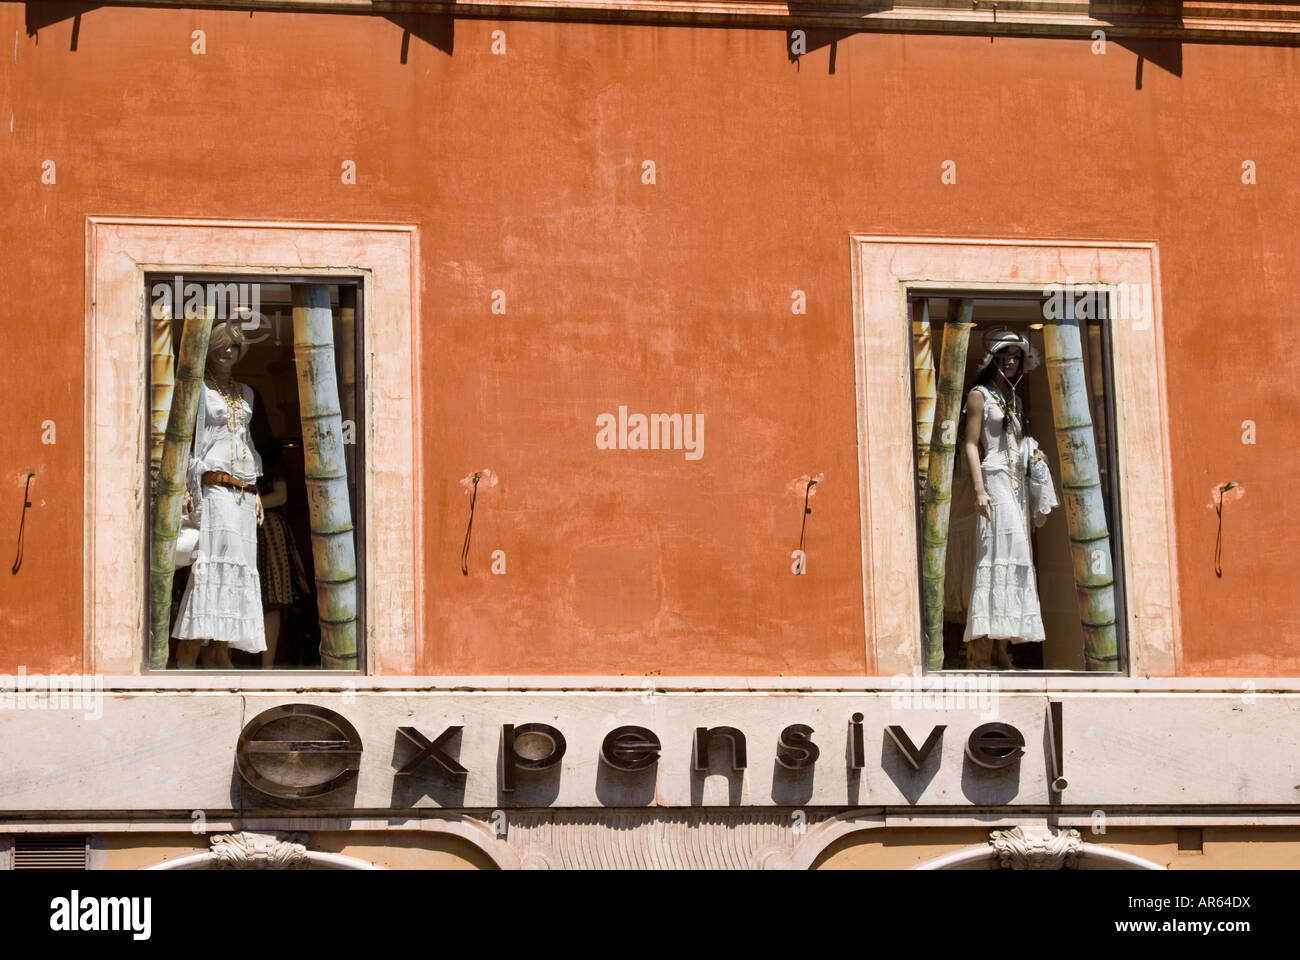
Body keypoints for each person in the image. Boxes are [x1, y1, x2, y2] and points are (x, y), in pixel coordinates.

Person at [171, 321, 267, 668]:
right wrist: (181, 484)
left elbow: (246, 441)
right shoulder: (196, 388)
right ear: (210, 347)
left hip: (243, 489)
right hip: (212, 486)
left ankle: (220, 651)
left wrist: (256, 489)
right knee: (211, 565)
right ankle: (190, 653)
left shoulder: (246, 392)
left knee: (239, 566)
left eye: (236, 345)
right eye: (223, 344)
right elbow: (184, 438)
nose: (229, 350)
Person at [960, 329, 1049, 669]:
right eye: (1005, 355)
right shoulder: (979, 395)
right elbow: (970, 443)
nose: (1011, 361)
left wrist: (1033, 454)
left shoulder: (1012, 399)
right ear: (993, 359)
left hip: (1015, 485)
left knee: (1014, 556)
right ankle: (980, 653)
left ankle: (999, 647)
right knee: (994, 555)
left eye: (1016, 356)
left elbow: (1015, 443)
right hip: (994, 479)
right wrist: (979, 489)